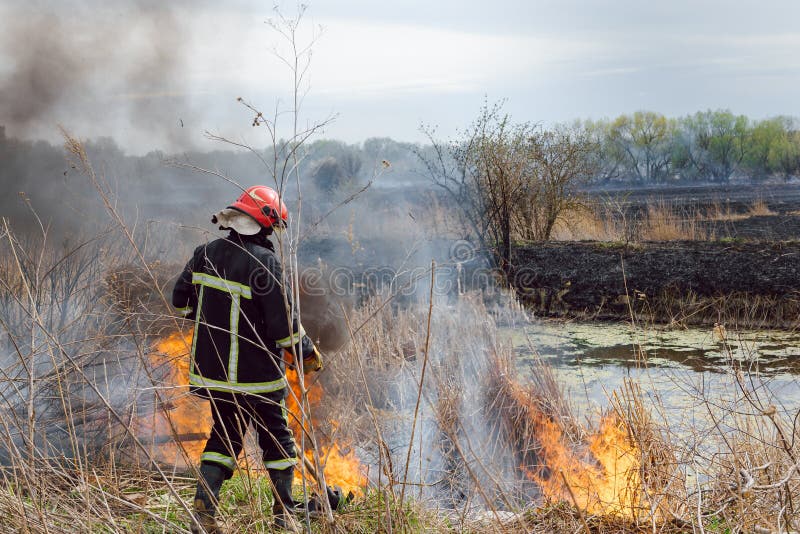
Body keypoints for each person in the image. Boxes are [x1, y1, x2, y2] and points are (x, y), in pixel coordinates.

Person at [172, 185, 322, 533]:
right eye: (271, 228)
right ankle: (284, 518)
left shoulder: (204, 254)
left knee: (224, 439)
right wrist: (308, 352)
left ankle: (203, 513)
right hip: (258, 378)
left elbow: (180, 302)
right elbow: (284, 327)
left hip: (215, 374)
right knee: (278, 441)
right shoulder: (265, 262)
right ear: (263, 225)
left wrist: (207, 312)